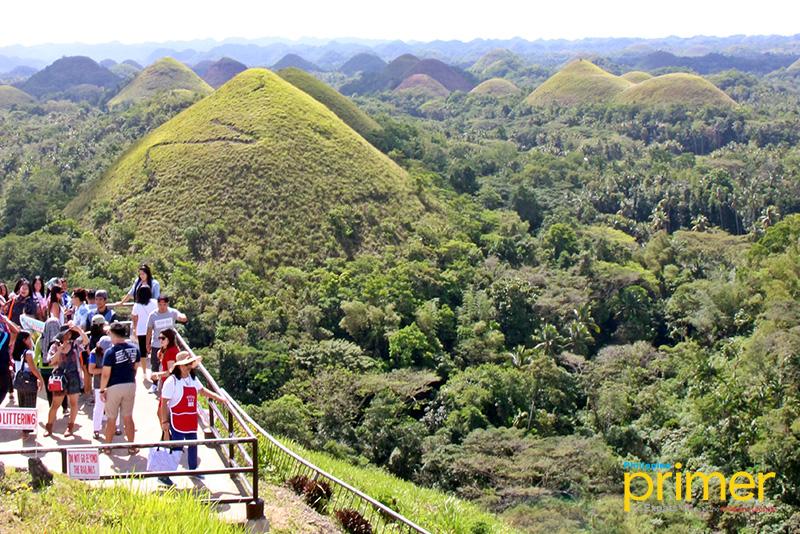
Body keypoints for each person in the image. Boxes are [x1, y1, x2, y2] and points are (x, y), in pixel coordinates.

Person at [159, 352, 226, 485]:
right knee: (177, 447)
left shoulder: (192, 379)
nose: (189, 367)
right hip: (177, 418)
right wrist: (164, 421)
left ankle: (193, 470)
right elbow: (163, 402)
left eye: (190, 364)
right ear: (179, 366)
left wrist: (219, 398)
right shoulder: (171, 381)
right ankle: (165, 474)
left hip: (190, 418)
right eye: (186, 364)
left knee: (193, 444)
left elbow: (202, 391)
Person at [100, 322, 140, 454]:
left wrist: (102, 390)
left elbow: (106, 374)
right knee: (128, 416)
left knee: (111, 418)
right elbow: (135, 367)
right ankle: (132, 446)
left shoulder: (110, 352)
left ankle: (107, 447)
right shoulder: (135, 349)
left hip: (114, 386)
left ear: (114, 334)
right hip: (130, 384)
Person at [44, 325, 88, 437]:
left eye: (69, 333)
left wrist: (79, 330)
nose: (68, 335)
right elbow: (50, 362)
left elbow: (86, 341)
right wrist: (59, 351)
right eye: (66, 333)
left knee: (73, 403)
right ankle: (49, 426)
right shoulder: (55, 346)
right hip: (60, 377)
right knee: (55, 404)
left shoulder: (75, 344)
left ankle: (70, 427)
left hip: (73, 376)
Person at [145, 295, 187, 393]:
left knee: (171, 366)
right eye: (160, 304)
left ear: (167, 304)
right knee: (155, 365)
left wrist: (183, 317)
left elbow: (180, 316)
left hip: (170, 345)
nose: (162, 306)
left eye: (164, 304)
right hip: (157, 343)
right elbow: (149, 330)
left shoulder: (172, 312)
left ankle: (172, 385)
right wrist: (147, 344)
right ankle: (154, 384)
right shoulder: (153, 315)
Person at [12, 331, 44, 434]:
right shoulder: (28, 353)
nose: (31, 341)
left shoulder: (17, 353)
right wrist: (41, 379)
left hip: (20, 382)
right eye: (29, 339)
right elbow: (33, 369)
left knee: (22, 406)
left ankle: (24, 430)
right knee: (29, 406)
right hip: (29, 382)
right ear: (24, 340)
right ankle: (27, 431)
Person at [88, 334, 120, 440]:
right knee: (99, 406)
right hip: (99, 384)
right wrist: (105, 370)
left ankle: (116, 426)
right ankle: (96, 429)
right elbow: (91, 370)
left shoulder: (114, 352)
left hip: (113, 383)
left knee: (115, 405)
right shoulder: (93, 354)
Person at [131, 285, 156, 378]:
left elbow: (134, 317)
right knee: (154, 349)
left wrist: (134, 329)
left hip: (141, 330)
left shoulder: (136, 305)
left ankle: (144, 372)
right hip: (153, 329)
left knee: (143, 352)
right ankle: (154, 370)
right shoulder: (154, 302)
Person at [0, 313, 20, 405]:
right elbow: (16, 331)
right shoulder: (4, 337)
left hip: (3, 370)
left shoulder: (4, 337)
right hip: (3, 370)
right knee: (3, 389)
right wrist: (6, 320)